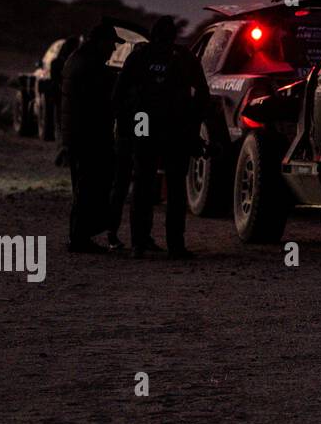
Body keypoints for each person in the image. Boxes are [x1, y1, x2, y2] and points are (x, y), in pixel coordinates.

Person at [113, 16, 209, 260]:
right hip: (176, 128)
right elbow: (202, 93)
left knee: (142, 184)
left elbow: (119, 94)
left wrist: (126, 128)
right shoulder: (184, 57)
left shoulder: (139, 56)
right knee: (176, 187)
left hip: (143, 125)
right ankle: (175, 245)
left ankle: (138, 244)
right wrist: (193, 125)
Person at [59, 23, 121, 253]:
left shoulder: (76, 60)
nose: (113, 49)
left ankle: (80, 235)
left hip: (78, 135)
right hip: (88, 137)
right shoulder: (89, 65)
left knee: (84, 186)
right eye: (111, 43)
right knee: (88, 188)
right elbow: (100, 99)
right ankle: (80, 238)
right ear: (100, 42)